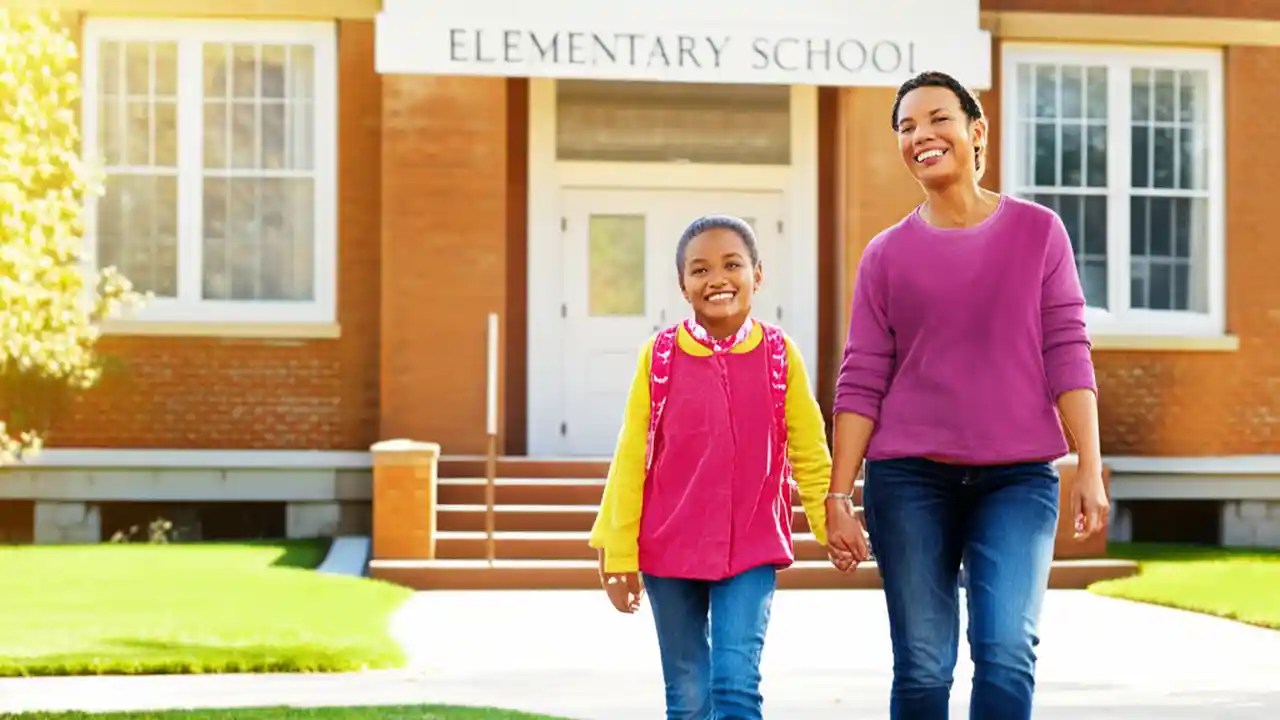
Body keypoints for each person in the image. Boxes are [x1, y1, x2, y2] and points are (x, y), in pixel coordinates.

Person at [824, 70, 1110, 720]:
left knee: (1007, 646)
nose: (921, 135)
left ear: (976, 131)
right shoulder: (885, 256)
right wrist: (840, 495)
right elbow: (862, 376)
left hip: (1017, 479)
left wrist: (1088, 465)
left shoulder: (1038, 233)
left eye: (936, 118)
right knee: (923, 665)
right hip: (909, 482)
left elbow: (1066, 348)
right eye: (906, 127)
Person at [588, 214, 841, 720]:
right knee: (687, 699)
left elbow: (809, 449)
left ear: (758, 275)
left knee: (736, 687)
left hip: (750, 549)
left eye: (732, 264)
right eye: (699, 270)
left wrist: (828, 519)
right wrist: (618, 551)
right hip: (668, 549)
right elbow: (632, 456)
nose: (717, 279)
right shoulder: (659, 357)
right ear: (683, 285)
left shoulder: (777, 354)